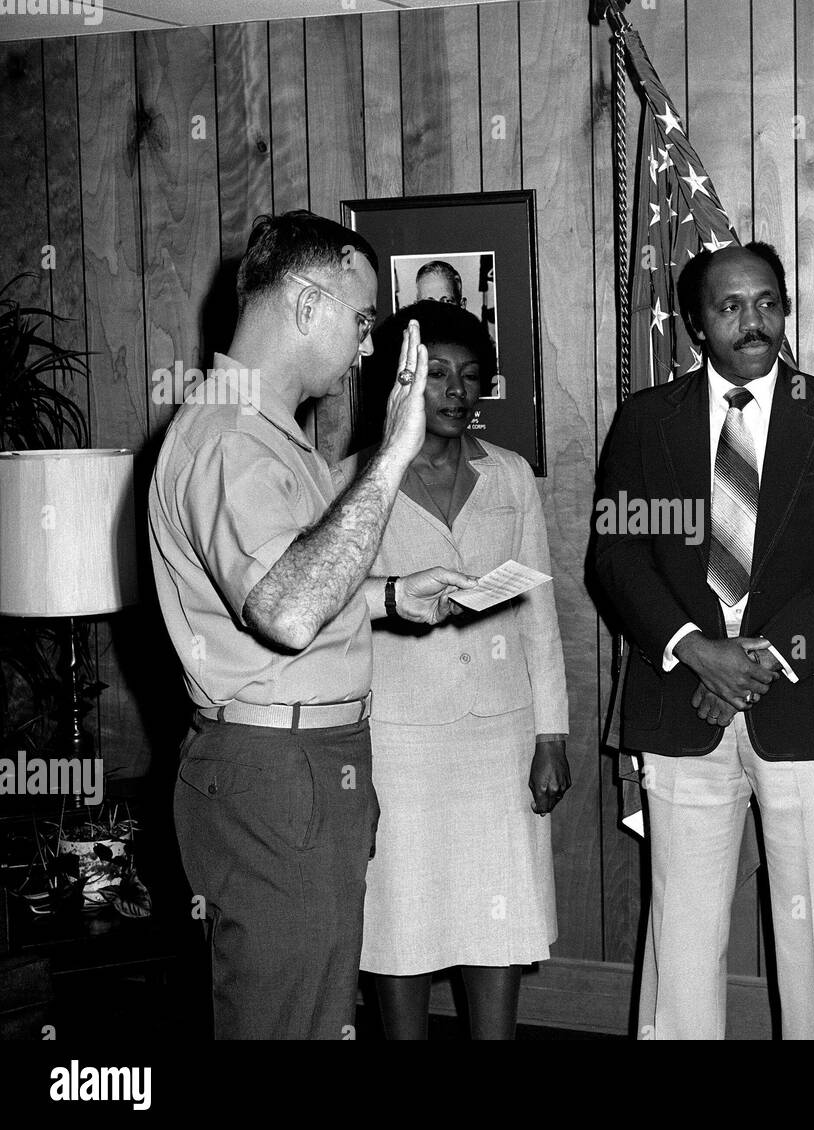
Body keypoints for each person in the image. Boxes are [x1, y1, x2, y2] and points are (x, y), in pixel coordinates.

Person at [148, 211, 475, 1039]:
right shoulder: (228, 439)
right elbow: (288, 612)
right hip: (277, 770)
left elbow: (290, 587)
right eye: (362, 321)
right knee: (286, 1023)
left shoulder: (266, 434)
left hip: (306, 764)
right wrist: (394, 455)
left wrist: (392, 597)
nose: (367, 347)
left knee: (315, 1016)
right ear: (304, 304)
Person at [595, 242, 814, 1040]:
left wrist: (763, 658)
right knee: (682, 924)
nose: (751, 320)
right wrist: (695, 646)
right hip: (679, 694)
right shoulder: (647, 421)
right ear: (697, 322)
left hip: (800, 698)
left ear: (786, 308)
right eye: (729, 306)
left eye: (766, 301)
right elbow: (617, 551)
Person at [338, 300, 569, 1040]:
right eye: (435, 373)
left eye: (470, 377)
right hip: (397, 741)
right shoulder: (350, 482)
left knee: (495, 908)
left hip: (499, 736)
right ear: (398, 383)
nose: (455, 391)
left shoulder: (509, 478)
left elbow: (537, 612)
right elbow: (333, 619)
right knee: (399, 912)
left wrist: (552, 736)